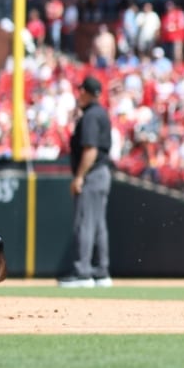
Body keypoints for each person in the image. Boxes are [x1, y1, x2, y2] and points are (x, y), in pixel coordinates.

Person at [59, 75, 115, 288]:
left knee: (85, 223)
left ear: (84, 92)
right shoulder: (99, 113)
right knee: (99, 224)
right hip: (102, 172)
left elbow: (90, 150)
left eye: (80, 90)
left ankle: (82, 272)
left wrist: (80, 176)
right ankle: (101, 272)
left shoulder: (91, 116)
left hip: (92, 173)